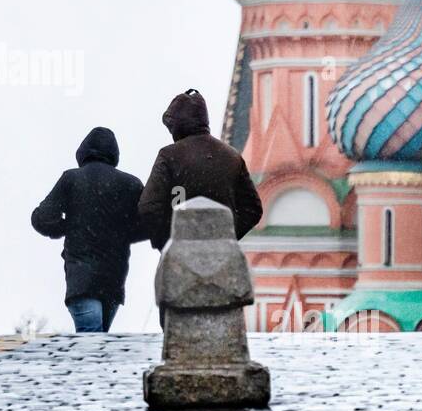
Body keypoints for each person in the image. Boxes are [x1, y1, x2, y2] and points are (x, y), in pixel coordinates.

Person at [31, 127, 145, 333]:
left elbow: (41, 217)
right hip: (113, 278)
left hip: (81, 277)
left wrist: (67, 227)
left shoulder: (71, 179)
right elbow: (147, 223)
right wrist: (121, 232)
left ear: (83, 151)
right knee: (99, 340)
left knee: (90, 338)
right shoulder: (131, 184)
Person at [138, 89, 263, 251]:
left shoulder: (169, 155)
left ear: (177, 124)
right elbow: (253, 209)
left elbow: (148, 207)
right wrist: (226, 236)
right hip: (222, 254)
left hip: (180, 253)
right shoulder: (232, 156)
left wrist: (168, 242)